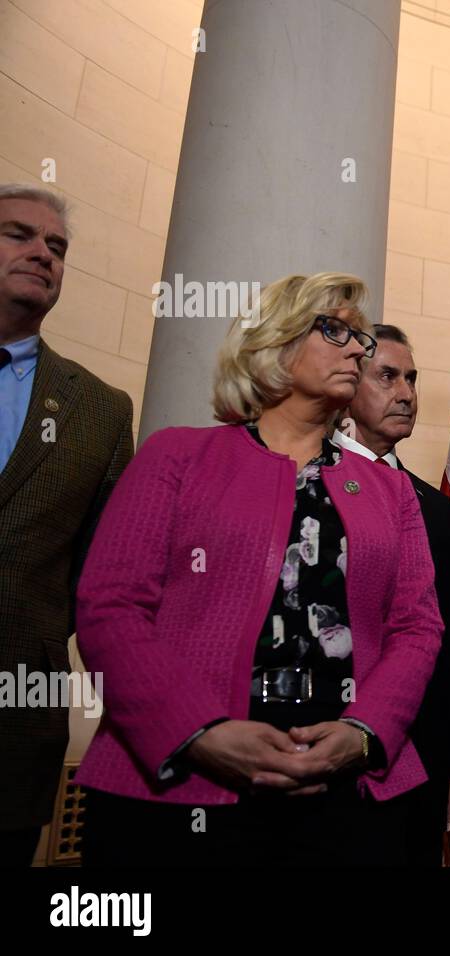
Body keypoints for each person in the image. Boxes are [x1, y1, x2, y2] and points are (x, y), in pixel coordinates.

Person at [74, 272, 442, 866]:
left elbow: (417, 627)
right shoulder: (177, 455)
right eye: (336, 332)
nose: (357, 349)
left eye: (361, 340)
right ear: (276, 339)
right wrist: (198, 730)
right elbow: (109, 606)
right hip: (182, 783)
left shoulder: (391, 492)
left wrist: (364, 732)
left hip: (346, 780)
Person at [0, 184, 133, 866]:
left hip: (14, 722)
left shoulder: (101, 411)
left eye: (56, 247)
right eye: (19, 235)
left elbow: (100, 571)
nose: (41, 254)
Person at [335, 323, 450, 863]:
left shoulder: (438, 512)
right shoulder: (299, 479)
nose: (406, 393)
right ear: (346, 385)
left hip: (417, 759)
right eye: (387, 377)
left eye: (412, 378)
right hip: (311, 753)